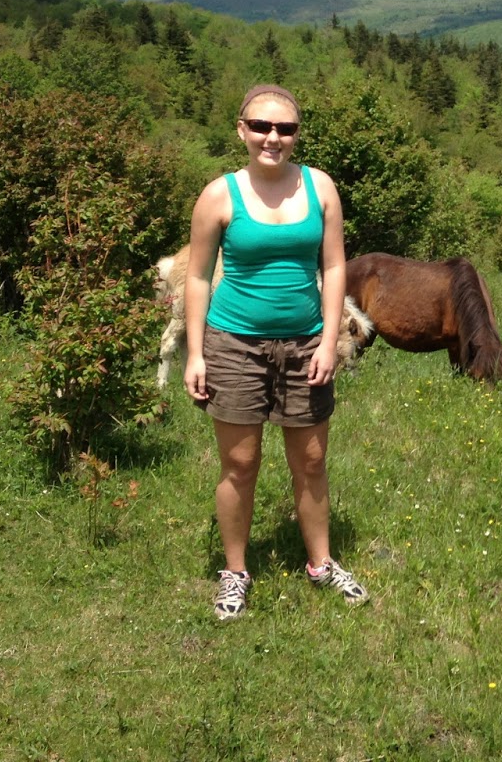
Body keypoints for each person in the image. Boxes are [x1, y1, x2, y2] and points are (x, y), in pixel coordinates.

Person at [183, 83, 369, 618]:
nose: (273, 137)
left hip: (307, 342)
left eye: (285, 128)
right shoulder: (219, 195)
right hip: (234, 344)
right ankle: (235, 572)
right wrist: (196, 354)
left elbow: (334, 267)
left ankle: (321, 563)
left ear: (296, 134)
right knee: (240, 463)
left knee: (311, 461)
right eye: (261, 126)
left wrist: (331, 340)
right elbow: (197, 277)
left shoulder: (321, 189)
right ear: (241, 129)